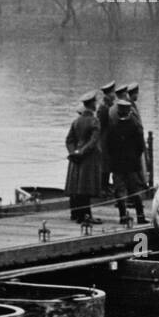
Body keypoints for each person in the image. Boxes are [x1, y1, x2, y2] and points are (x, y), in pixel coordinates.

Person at [105, 99, 147, 224]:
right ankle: (140, 216)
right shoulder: (135, 126)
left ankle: (123, 217)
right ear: (129, 112)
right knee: (135, 190)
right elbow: (140, 147)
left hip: (117, 165)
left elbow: (108, 146)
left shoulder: (113, 127)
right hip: (132, 164)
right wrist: (134, 157)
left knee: (119, 190)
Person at [65, 92, 103, 224]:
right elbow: (93, 141)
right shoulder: (94, 121)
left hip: (76, 159)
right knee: (86, 187)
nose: (96, 104)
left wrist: (73, 152)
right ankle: (86, 215)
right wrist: (82, 152)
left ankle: (78, 214)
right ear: (92, 104)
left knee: (78, 187)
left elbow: (69, 140)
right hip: (89, 159)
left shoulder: (76, 121)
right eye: (95, 102)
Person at [96, 81, 117, 192]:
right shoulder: (104, 108)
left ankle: (106, 185)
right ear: (108, 94)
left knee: (108, 164)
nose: (114, 95)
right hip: (104, 139)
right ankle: (102, 187)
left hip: (108, 139)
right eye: (113, 92)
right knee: (104, 164)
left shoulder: (108, 106)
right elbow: (102, 125)